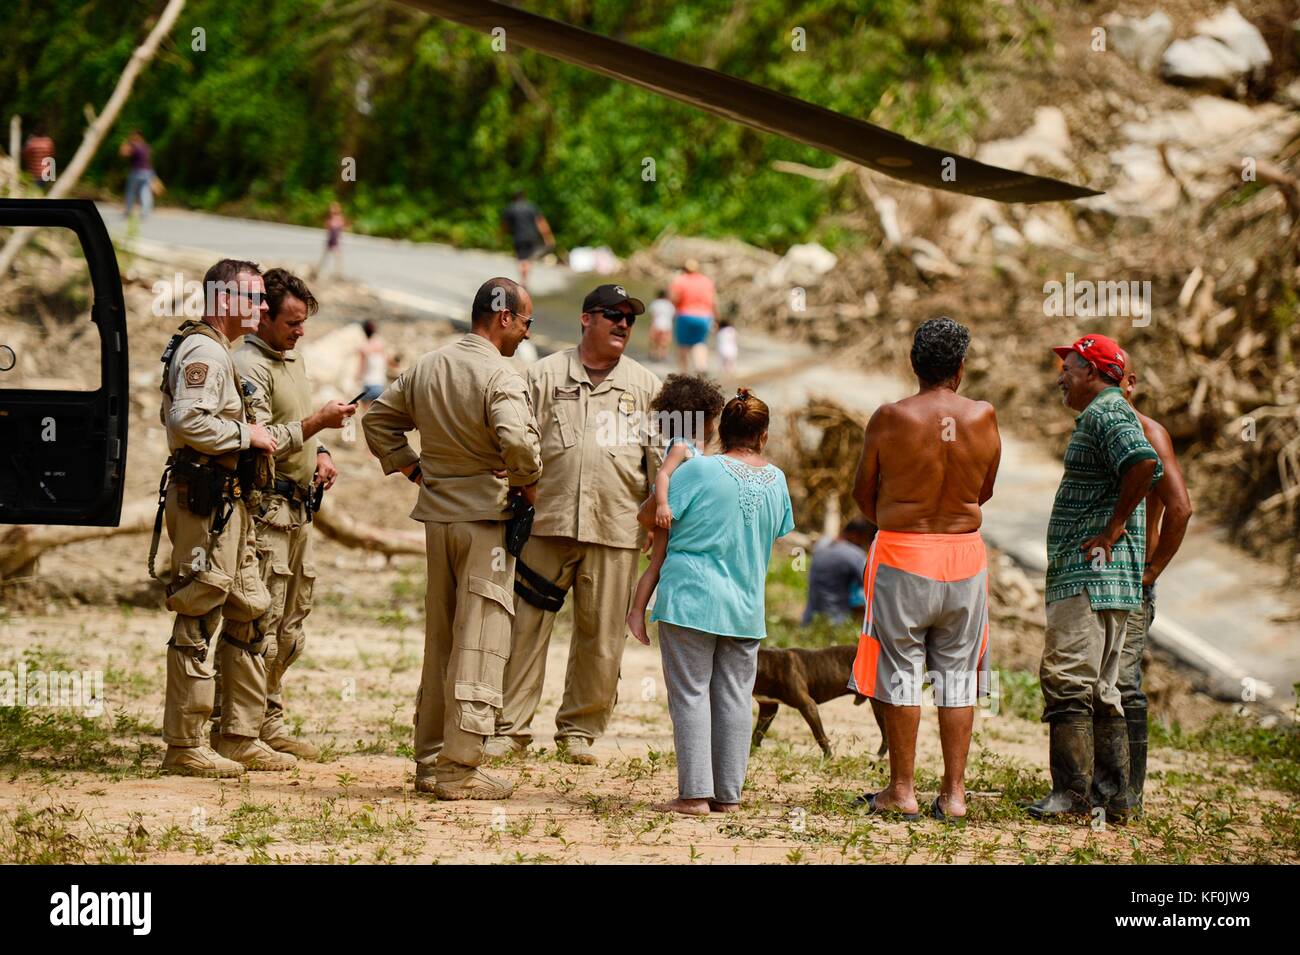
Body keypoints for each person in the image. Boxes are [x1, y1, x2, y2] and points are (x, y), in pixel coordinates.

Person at [362, 277, 541, 799]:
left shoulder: (427, 365)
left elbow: (379, 422)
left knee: (441, 638)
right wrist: (526, 482)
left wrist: (414, 470)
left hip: (437, 519)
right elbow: (517, 444)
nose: (527, 334)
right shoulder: (500, 375)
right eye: (526, 322)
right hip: (484, 520)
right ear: (504, 316)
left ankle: (430, 758)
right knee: (481, 637)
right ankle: (460, 769)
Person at [485, 284, 661, 765]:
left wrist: (657, 525)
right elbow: (515, 440)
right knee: (523, 630)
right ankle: (509, 728)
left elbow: (662, 464)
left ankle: (579, 731)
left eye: (630, 317)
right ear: (587, 319)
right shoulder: (541, 375)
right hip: (547, 524)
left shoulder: (647, 387)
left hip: (615, 529)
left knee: (602, 637)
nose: (623, 324)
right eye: (613, 314)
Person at [848, 317, 1001, 822]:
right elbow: (985, 491)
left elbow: (862, 494)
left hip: (902, 554)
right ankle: (955, 795)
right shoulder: (983, 416)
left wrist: (900, 518)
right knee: (958, 677)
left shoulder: (890, 417)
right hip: (964, 556)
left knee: (900, 671)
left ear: (914, 365)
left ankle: (902, 790)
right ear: (959, 369)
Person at [1026, 335, 1162, 823]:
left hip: (1089, 575)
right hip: (1113, 579)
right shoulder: (1109, 412)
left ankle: (1072, 796)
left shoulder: (1107, 413)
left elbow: (1145, 464)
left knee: (1066, 681)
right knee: (1103, 690)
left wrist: (1113, 526)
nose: (1060, 376)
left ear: (1093, 373)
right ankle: (1115, 798)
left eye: (1069, 367)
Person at [154, 259, 282, 776]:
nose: (264, 308)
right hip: (205, 503)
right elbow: (188, 419)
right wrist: (245, 436)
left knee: (250, 605)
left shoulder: (219, 350)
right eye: (255, 299)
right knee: (199, 609)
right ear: (226, 300)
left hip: (230, 505)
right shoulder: (204, 350)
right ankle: (184, 745)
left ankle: (238, 734)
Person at [646, 388, 795, 815]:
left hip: (690, 598)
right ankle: (727, 796)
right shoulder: (777, 480)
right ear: (763, 436)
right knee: (734, 696)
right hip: (745, 606)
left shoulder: (697, 470)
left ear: (720, 432)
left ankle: (693, 795)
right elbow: (780, 528)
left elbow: (656, 515)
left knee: (690, 694)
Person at [233, 268, 357, 760]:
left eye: (304, 323)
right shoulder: (248, 365)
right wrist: (318, 422)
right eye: (292, 322)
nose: (300, 331)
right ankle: (237, 728)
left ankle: (268, 720)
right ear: (263, 315)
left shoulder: (291, 358)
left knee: (290, 622)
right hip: (267, 511)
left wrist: (322, 450)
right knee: (255, 620)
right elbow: (260, 439)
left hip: (299, 508)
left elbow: (297, 422)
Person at [1116, 349, 1193, 815]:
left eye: (1113, 379)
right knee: (1090, 686)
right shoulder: (1096, 430)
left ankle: (1130, 795)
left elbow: (1180, 509)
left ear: (1131, 382)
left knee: (1124, 685)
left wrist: (1150, 572)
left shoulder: (1149, 433)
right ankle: (1095, 789)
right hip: (1097, 579)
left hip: (1130, 583)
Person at [625, 374, 726, 646]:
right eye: (710, 419)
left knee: (661, 563)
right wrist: (662, 505)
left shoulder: (694, 448)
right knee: (656, 563)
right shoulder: (681, 445)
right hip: (667, 514)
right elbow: (662, 476)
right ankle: (636, 613)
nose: (714, 426)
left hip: (678, 516)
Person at [802, 516, 877, 626]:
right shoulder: (854, 555)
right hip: (836, 622)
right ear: (856, 535)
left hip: (809, 619)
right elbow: (873, 586)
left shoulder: (821, 545)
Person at [669, 259, 716, 373]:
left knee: (683, 345)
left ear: (684, 269)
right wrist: (715, 318)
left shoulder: (680, 280)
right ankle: (701, 366)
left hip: (685, 315)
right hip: (705, 317)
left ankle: (684, 373)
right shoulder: (706, 281)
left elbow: (674, 299)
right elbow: (713, 301)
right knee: (700, 343)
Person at [500, 190, 554, 289]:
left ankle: (523, 280)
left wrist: (502, 236)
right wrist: (548, 237)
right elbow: (541, 222)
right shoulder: (532, 207)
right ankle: (525, 280)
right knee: (528, 259)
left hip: (518, 237)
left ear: (514, 197)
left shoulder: (510, 208)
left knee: (521, 259)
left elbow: (505, 225)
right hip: (532, 237)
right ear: (524, 197)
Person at [119, 130, 155, 219]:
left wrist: (125, 142)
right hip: (148, 172)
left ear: (137, 136)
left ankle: (128, 211)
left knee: (131, 192)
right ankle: (145, 213)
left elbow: (123, 153)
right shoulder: (146, 146)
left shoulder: (134, 145)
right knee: (145, 192)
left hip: (137, 172)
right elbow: (149, 160)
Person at [356, 319, 389, 405]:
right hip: (380, 383)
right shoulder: (381, 345)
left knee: (366, 412)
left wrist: (357, 377)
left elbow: (361, 367)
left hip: (368, 383)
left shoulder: (364, 348)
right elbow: (386, 361)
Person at [314, 202, 347, 280]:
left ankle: (339, 274)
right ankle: (317, 272)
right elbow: (328, 227)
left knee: (337, 258)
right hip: (330, 240)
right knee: (325, 257)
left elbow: (341, 227)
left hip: (335, 241)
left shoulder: (339, 218)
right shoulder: (330, 218)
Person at [647, 289, 674, 362]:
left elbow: (653, 316)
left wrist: (651, 325)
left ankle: (653, 354)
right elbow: (672, 316)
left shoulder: (655, 303)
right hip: (666, 326)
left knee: (654, 341)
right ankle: (662, 356)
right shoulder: (669, 304)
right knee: (664, 343)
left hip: (656, 324)